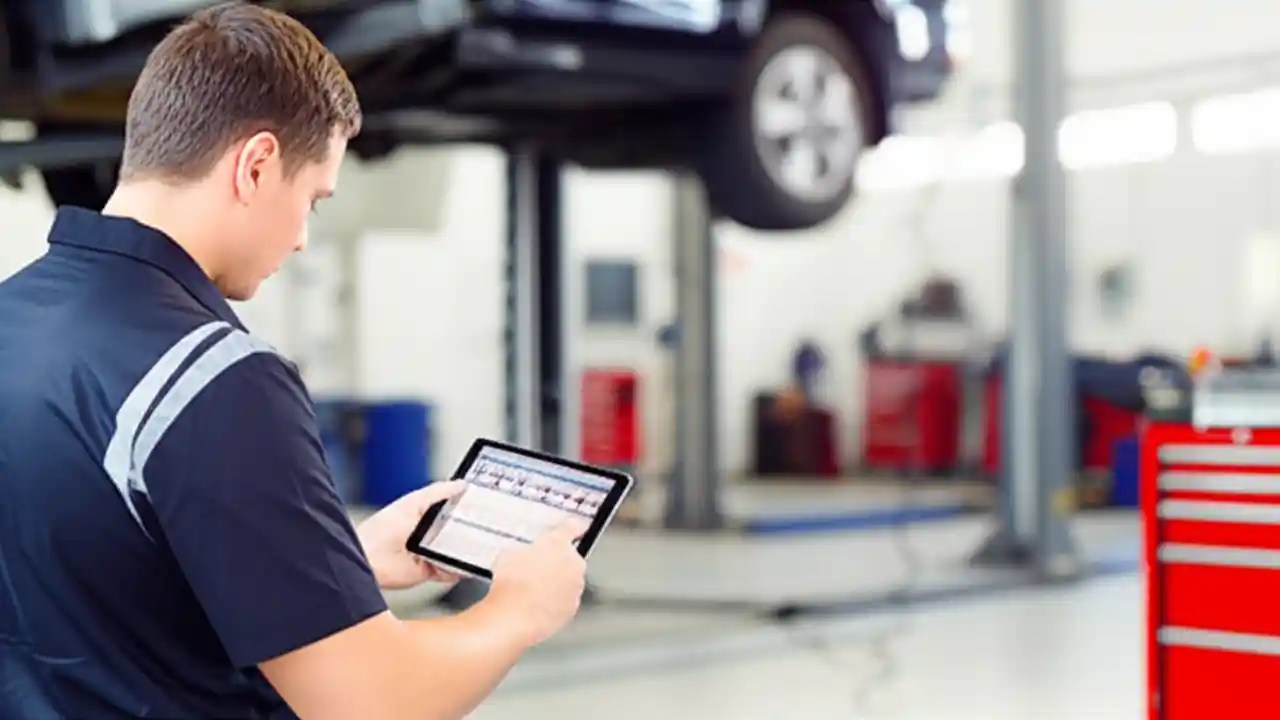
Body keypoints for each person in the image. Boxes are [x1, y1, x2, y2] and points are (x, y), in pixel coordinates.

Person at [0, 4, 587, 719]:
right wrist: (521, 610)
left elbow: (95, 582)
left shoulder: (16, 323)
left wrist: (340, 566)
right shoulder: (213, 380)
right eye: (312, 198)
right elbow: (373, 701)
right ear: (256, 165)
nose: (304, 237)